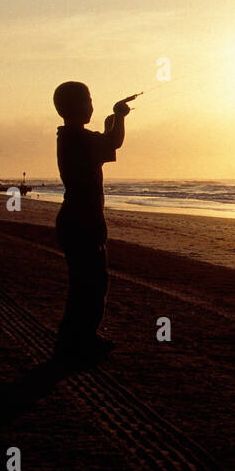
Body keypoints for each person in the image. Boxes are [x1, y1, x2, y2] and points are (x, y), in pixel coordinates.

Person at [51, 81, 131, 362]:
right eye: (88, 100)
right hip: (82, 222)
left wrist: (113, 120)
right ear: (77, 106)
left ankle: (76, 337)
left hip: (76, 220)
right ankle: (79, 341)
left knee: (84, 284)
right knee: (92, 284)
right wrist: (119, 117)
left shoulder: (70, 137)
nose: (91, 106)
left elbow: (107, 141)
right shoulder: (78, 139)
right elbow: (112, 142)